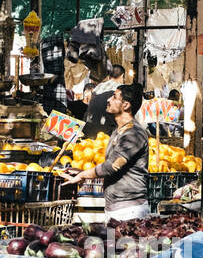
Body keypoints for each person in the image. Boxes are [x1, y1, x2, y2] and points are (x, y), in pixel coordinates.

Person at [63, 83, 149, 221]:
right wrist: (82, 171)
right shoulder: (118, 131)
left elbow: (111, 166)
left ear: (125, 105)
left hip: (129, 210)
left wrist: (83, 175)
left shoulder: (133, 134)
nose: (108, 100)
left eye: (114, 97)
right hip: (115, 208)